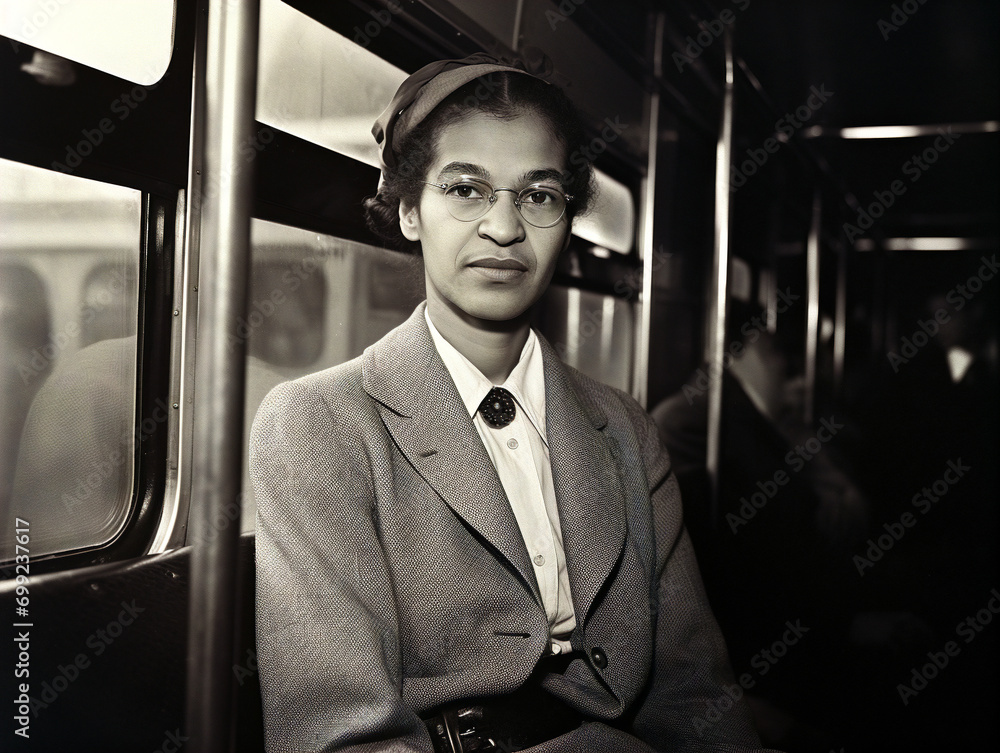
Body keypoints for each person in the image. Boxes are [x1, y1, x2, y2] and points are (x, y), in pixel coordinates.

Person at [252, 53, 775, 753]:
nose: (504, 227)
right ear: (410, 211)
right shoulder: (320, 422)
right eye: (466, 189)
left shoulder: (623, 426)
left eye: (539, 195)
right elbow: (340, 733)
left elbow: (693, 691)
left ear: (566, 220)